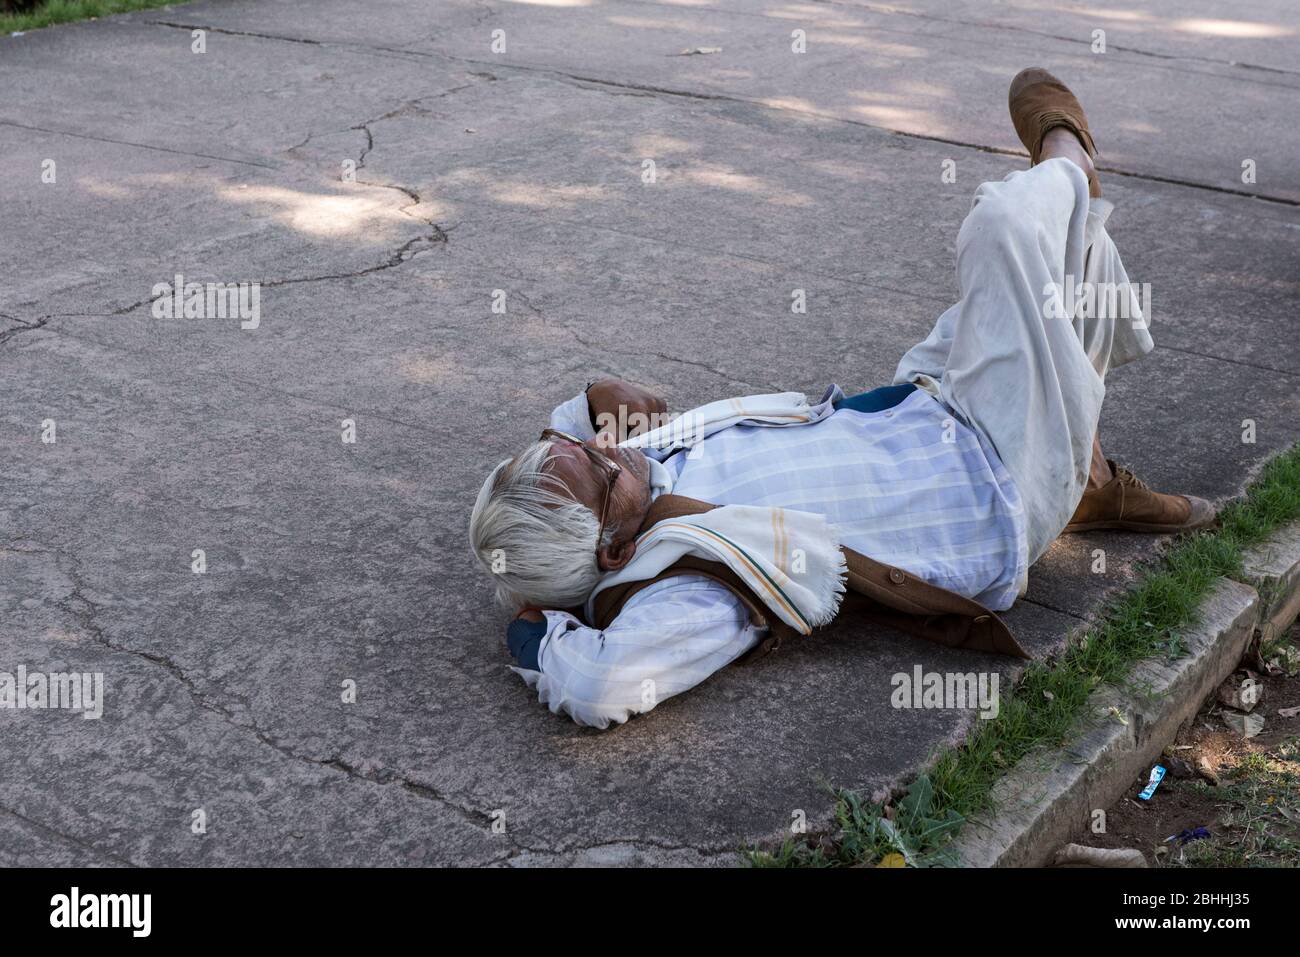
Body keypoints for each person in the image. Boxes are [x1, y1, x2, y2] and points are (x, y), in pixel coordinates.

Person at [469, 68, 1214, 728]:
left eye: (578, 446)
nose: (608, 444)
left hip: (923, 404)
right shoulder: (688, 587)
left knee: (1061, 275)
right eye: (597, 466)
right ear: (615, 549)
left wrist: (586, 410)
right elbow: (602, 684)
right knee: (1007, 230)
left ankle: (1084, 472)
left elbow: (569, 445)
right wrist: (534, 629)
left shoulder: (609, 475)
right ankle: (1072, 159)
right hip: (995, 481)